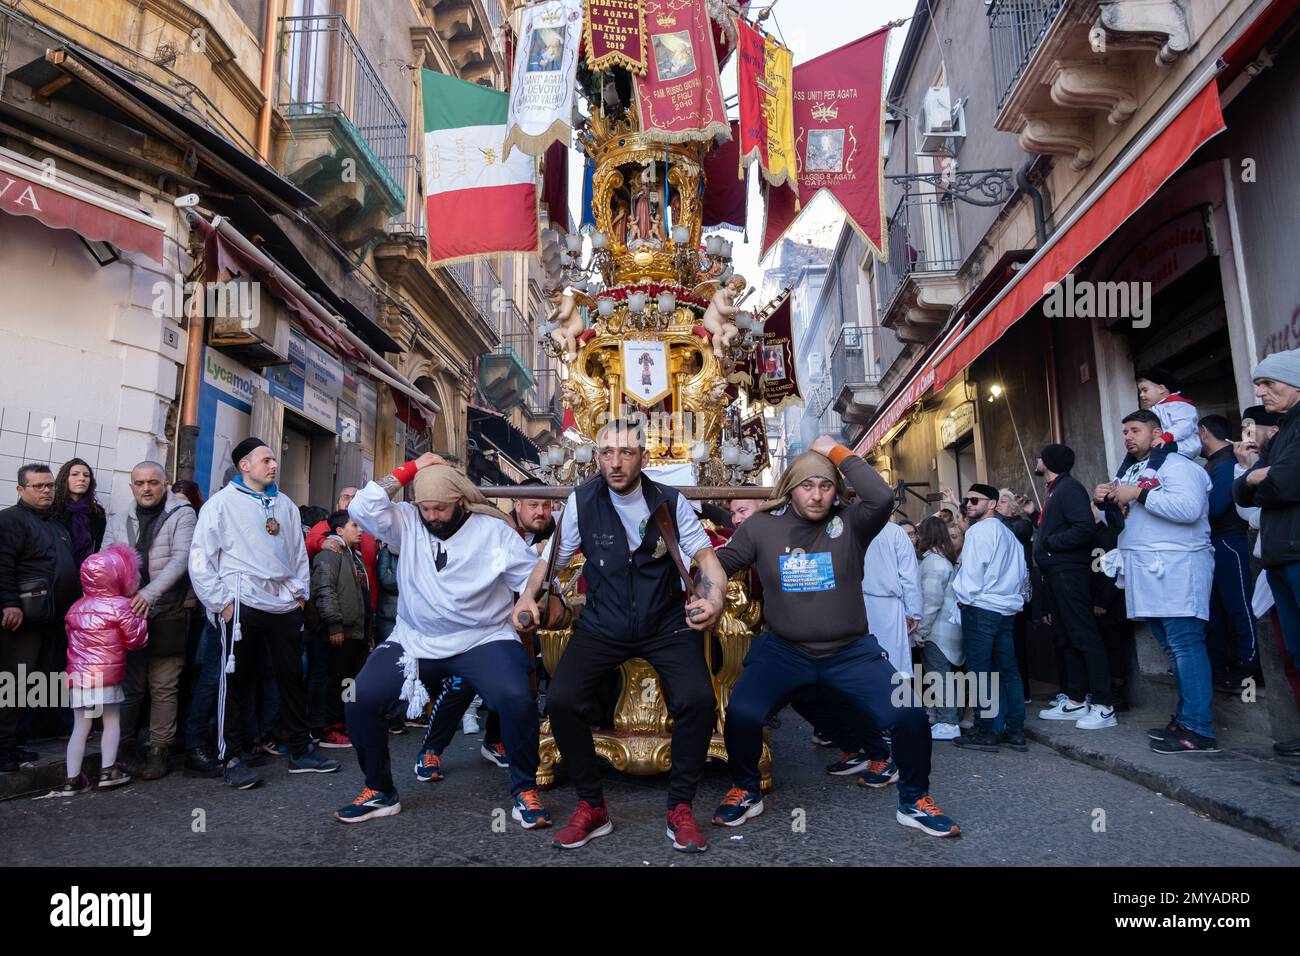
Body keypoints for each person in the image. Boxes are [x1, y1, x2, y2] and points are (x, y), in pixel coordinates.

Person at [710, 435, 960, 838]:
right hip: (784, 651)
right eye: (807, 486)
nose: (817, 495)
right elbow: (721, 563)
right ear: (790, 488)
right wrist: (700, 581)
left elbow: (879, 496)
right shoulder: (761, 527)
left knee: (910, 715)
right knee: (742, 714)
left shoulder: (851, 524)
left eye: (825, 486)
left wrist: (836, 452)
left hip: (850, 651)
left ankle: (914, 801)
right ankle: (745, 789)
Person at [512, 419, 727, 853]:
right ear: (596, 458)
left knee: (699, 700)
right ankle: (592, 806)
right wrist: (526, 597)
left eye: (626, 453)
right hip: (603, 624)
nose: (616, 462)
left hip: (666, 622)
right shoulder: (581, 502)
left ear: (643, 458)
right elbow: (552, 561)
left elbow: (705, 555)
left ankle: (680, 808)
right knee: (562, 701)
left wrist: (715, 597)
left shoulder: (668, 500)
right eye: (607, 453)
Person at [341, 453, 550, 826]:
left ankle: (524, 789)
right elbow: (361, 505)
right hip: (415, 641)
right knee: (358, 697)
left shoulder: (495, 531)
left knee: (517, 699)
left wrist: (534, 601)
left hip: (483, 639)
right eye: (425, 507)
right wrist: (412, 469)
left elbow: (530, 580)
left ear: (460, 502)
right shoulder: (405, 522)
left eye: (440, 507)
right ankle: (380, 791)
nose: (432, 515)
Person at [189, 437, 339, 789]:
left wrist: (300, 594)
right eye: (266, 459)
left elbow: (298, 555)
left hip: (283, 604)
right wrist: (220, 602)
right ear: (245, 465)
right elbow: (200, 558)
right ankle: (233, 757)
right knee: (234, 682)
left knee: (291, 678)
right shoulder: (221, 505)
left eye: (274, 460)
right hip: (240, 604)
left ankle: (301, 751)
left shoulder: (284, 504)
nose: (274, 465)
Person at [1101, 409, 1216, 754]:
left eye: (1135, 430)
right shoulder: (1135, 471)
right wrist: (1106, 500)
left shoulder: (1179, 466)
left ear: (1157, 433)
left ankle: (1200, 727)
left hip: (1179, 567)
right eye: (1125, 432)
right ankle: (1184, 717)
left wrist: (1138, 494)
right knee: (1172, 648)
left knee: (1186, 644)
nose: (1128, 437)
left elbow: (1188, 509)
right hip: (1150, 569)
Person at [103, 461, 197, 780]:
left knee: (163, 685)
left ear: (165, 484)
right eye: (140, 482)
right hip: (128, 616)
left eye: (153, 482)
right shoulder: (118, 520)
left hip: (168, 612)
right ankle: (122, 748)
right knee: (130, 685)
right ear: (132, 486)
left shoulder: (183, 515)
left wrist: (150, 593)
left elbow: (181, 558)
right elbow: (106, 560)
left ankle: (159, 750)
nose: (146, 488)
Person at [1233, 350, 1300, 781]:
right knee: (1296, 653)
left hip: (1295, 554)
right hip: (1280, 557)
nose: (1261, 392)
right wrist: (1256, 477)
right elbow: (1241, 491)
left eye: (1270, 384)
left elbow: (1286, 481)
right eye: (1259, 384)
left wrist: (1260, 477)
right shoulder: (1282, 435)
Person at [0, 464, 81, 773]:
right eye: (38, 486)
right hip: (22, 619)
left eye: (49, 485)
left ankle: (16, 742)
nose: (47, 490)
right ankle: (4, 749)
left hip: (52, 618)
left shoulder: (56, 524)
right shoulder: (9, 520)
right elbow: (3, 565)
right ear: (21, 490)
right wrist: (9, 604)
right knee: (13, 682)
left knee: (34, 682)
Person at [52, 544, 149, 795]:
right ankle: (108, 772)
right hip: (107, 677)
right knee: (111, 722)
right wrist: (142, 619)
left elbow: (69, 637)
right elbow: (136, 641)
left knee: (80, 728)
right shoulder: (121, 606)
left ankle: (72, 780)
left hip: (79, 678)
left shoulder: (76, 607)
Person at [1032, 444, 1114, 729]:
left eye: (1041, 456)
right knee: (1066, 637)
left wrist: (1050, 544)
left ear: (1050, 461)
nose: (1037, 460)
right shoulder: (1055, 489)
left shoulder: (1070, 489)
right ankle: (1077, 699)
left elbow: (1084, 528)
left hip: (1069, 573)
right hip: (1056, 573)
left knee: (1084, 635)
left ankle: (1104, 704)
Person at [951, 483, 1029, 753]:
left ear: (992, 504)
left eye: (975, 500)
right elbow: (1021, 574)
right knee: (1007, 670)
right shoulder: (1008, 535)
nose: (969, 504)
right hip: (1005, 609)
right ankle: (1014, 729)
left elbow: (971, 574)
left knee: (980, 669)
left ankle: (986, 730)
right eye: (967, 500)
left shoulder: (980, 531)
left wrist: (962, 598)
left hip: (981, 607)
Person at [1198, 415, 1259, 688]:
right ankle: (1222, 665)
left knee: (1240, 606)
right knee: (1219, 609)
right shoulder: (1214, 463)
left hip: (1229, 540)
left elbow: (1215, 506)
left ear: (1203, 432)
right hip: (1216, 542)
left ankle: (1250, 667)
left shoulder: (1225, 464)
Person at [310, 510, 372, 750]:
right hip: (339, 632)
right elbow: (324, 590)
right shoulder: (330, 554)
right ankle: (328, 728)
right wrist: (334, 624)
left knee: (350, 681)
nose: (360, 530)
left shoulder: (353, 555)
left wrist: (368, 632)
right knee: (335, 680)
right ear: (338, 530)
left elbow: (362, 596)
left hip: (357, 632)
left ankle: (345, 723)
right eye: (354, 526)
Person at [915, 516, 963, 740]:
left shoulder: (933, 562)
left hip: (938, 632)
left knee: (939, 676)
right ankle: (942, 717)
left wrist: (920, 631)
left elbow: (931, 601)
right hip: (946, 630)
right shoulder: (942, 559)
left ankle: (949, 722)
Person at [861, 518, 922, 677]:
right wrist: (914, 612)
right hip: (889, 607)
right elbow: (909, 576)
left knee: (868, 665)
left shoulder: (855, 529)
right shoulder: (895, 532)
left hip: (862, 604)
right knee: (895, 667)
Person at [1114, 367, 1200, 478]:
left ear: (1161, 388)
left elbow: (1185, 425)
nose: (1141, 395)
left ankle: (1148, 477)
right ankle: (1117, 479)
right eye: (1140, 391)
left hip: (1184, 444)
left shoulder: (1180, 405)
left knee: (1159, 447)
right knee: (1132, 453)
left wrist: (1166, 437)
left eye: (1145, 390)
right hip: (1165, 443)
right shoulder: (1157, 408)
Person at [53, 457, 106, 566]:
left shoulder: (97, 512)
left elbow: (100, 546)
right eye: (75, 474)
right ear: (64, 478)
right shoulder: (53, 508)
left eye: (86, 475)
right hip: (56, 573)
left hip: (86, 573)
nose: (82, 479)